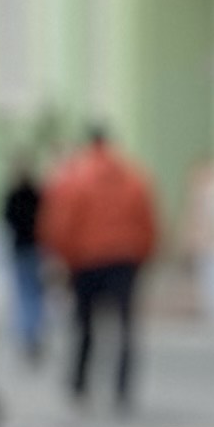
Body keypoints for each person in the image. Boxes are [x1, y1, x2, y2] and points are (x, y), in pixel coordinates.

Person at [42, 120, 159, 405]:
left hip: (86, 261)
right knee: (125, 326)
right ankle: (122, 387)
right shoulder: (133, 176)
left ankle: (81, 382)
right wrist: (140, 255)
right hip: (124, 259)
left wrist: (64, 258)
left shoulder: (75, 177)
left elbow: (61, 224)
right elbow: (148, 222)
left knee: (84, 324)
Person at [2, 154, 48, 365]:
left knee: (24, 293)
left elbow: (7, 220)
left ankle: (28, 333)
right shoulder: (36, 194)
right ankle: (32, 333)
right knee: (33, 293)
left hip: (23, 248)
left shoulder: (15, 195)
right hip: (34, 248)